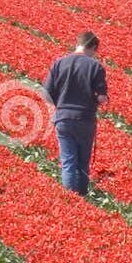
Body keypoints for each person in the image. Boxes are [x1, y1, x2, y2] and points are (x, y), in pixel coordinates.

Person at [42, 31, 108, 195]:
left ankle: (70, 200)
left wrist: (60, 106)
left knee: (68, 162)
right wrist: (103, 99)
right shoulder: (95, 66)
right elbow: (101, 98)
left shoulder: (59, 63)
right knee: (82, 163)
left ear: (78, 43)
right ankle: (82, 198)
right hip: (85, 119)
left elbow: (46, 94)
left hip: (63, 119)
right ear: (92, 47)